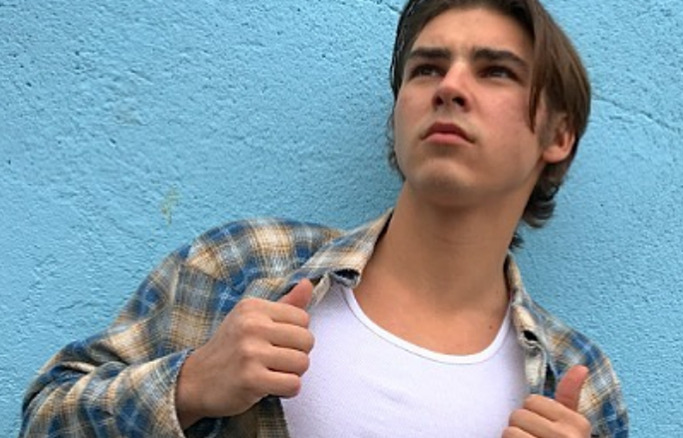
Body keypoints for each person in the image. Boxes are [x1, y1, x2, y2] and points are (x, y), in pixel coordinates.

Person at [20, 0, 629, 436]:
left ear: (559, 135)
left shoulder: (577, 382)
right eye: (426, 68)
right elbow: (46, 415)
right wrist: (191, 386)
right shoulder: (241, 265)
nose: (449, 87)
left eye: (496, 71)